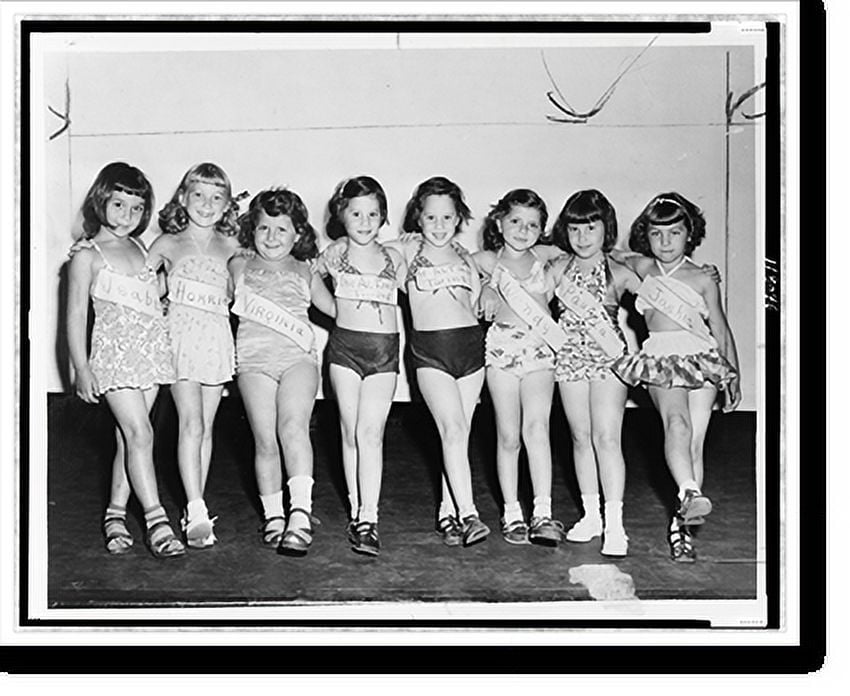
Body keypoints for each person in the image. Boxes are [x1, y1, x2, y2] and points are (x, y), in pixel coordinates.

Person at [612, 192, 741, 563]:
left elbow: (719, 326)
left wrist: (734, 374)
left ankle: (681, 530)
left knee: (695, 444)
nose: (665, 242)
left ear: (690, 234)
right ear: (646, 235)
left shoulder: (703, 278)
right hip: (660, 357)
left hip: (702, 358)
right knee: (677, 425)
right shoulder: (642, 267)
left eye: (674, 233)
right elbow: (610, 252)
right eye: (656, 234)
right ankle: (688, 491)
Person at [66, 162, 185, 559]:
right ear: (101, 201)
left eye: (136, 208)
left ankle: (115, 515)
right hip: (114, 356)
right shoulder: (88, 256)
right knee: (140, 435)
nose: (127, 216)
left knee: (129, 438)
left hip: (149, 352)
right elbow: (75, 315)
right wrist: (81, 368)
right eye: (118, 205)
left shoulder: (139, 246)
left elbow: (151, 296)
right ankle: (156, 520)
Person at [229, 188, 336, 556]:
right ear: (252, 231)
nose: (272, 238)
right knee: (264, 438)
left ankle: (301, 514)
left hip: (297, 360)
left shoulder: (305, 270)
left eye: (281, 229)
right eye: (263, 229)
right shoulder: (239, 265)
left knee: (293, 427)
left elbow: (337, 310)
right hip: (253, 361)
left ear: (298, 234)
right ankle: (273, 515)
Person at [148, 162, 242, 549]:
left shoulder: (232, 246)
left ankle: (193, 504)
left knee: (205, 427)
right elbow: (135, 281)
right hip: (181, 340)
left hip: (217, 340)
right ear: (183, 198)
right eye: (199, 195)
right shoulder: (168, 243)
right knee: (191, 425)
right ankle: (197, 508)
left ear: (227, 204)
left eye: (216, 197)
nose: (207, 204)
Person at [394, 176, 490, 547]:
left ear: (458, 219)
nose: (439, 226)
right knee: (451, 429)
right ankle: (470, 514)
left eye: (447, 218)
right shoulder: (405, 251)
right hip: (430, 351)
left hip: (470, 349)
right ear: (418, 218)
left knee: (459, 436)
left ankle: (447, 513)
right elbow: (357, 245)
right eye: (431, 218)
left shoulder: (468, 257)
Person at [546, 190, 641, 557]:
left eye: (591, 227)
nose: (582, 236)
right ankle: (591, 515)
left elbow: (657, 292)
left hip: (607, 360)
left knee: (606, 438)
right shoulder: (558, 268)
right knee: (580, 437)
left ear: (606, 228)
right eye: (574, 228)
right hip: (568, 359)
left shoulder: (618, 270)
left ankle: (615, 523)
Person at [317, 176, 407, 557]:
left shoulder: (394, 256)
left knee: (372, 433)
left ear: (383, 216)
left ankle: (369, 517)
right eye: (357, 213)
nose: (365, 221)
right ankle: (357, 511)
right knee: (350, 432)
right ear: (342, 215)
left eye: (373, 213)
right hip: (345, 349)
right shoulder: (334, 253)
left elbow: (417, 294)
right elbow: (307, 280)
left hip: (384, 350)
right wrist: (335, 310)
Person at [473, 189, 565, 547]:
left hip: (540, 350)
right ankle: (512, 511)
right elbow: (446, 259)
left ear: (542, 229)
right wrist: (484, 287)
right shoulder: (485, 260)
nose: (523, 230)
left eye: (532, 224)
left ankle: (542, 511)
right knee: (508, 435)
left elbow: (597, 253)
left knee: (537, 429)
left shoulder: (545, 255)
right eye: (515, 221)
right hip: (502, 350)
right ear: (499, 222)